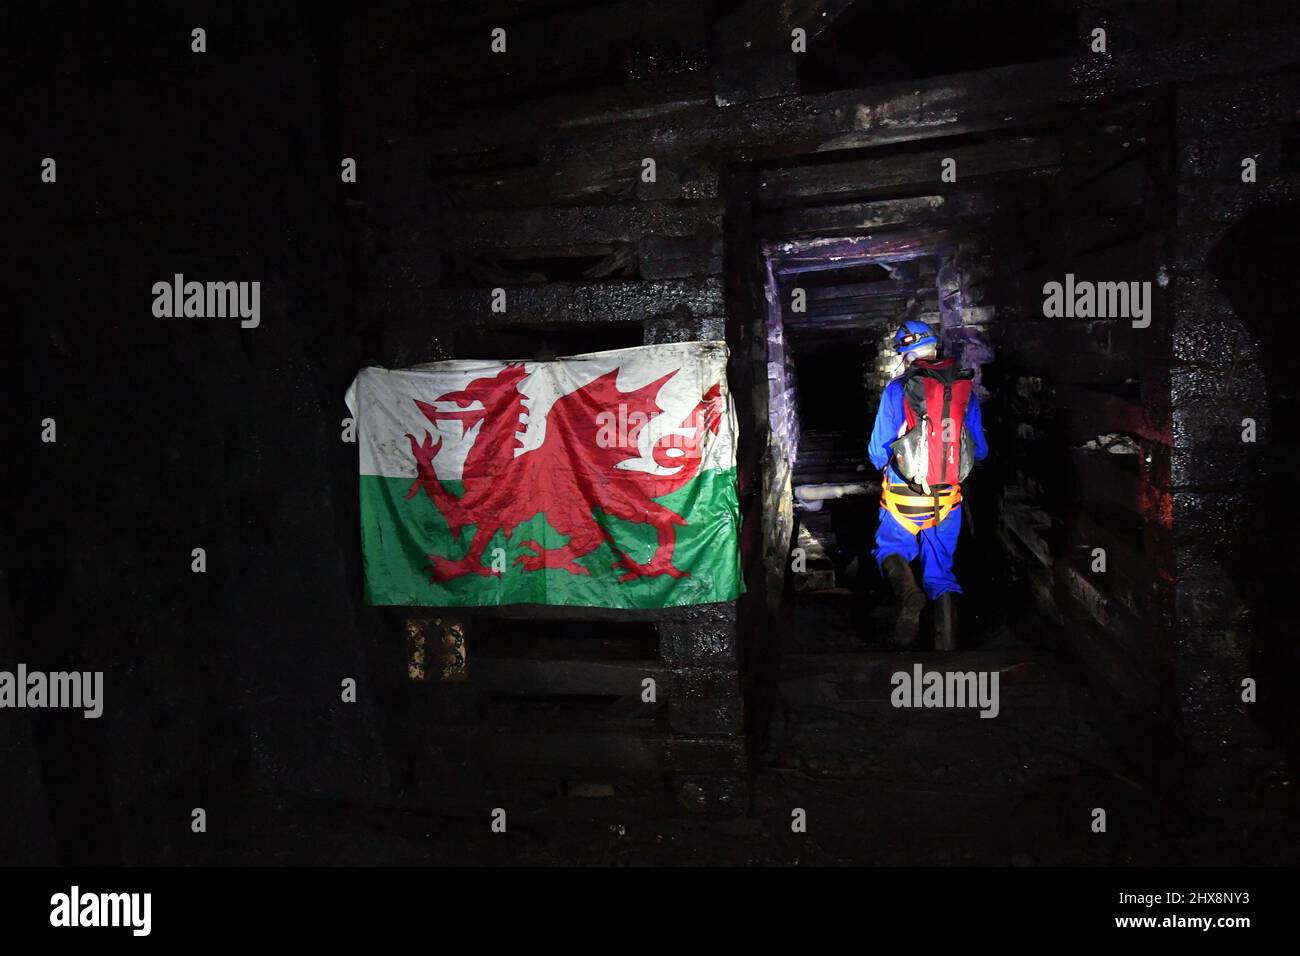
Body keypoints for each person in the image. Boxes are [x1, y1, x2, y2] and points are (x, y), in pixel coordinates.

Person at [867, 319, 987, 650]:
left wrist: (894, 473)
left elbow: (877, 449)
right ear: (935, 347)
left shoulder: (897, 390)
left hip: (903, 495)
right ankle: (946, 649)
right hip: (947, 498)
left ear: (905, 355)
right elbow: (980, 449)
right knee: (941, 568)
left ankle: (909, 596)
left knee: (890, 549)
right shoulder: (965, 389)